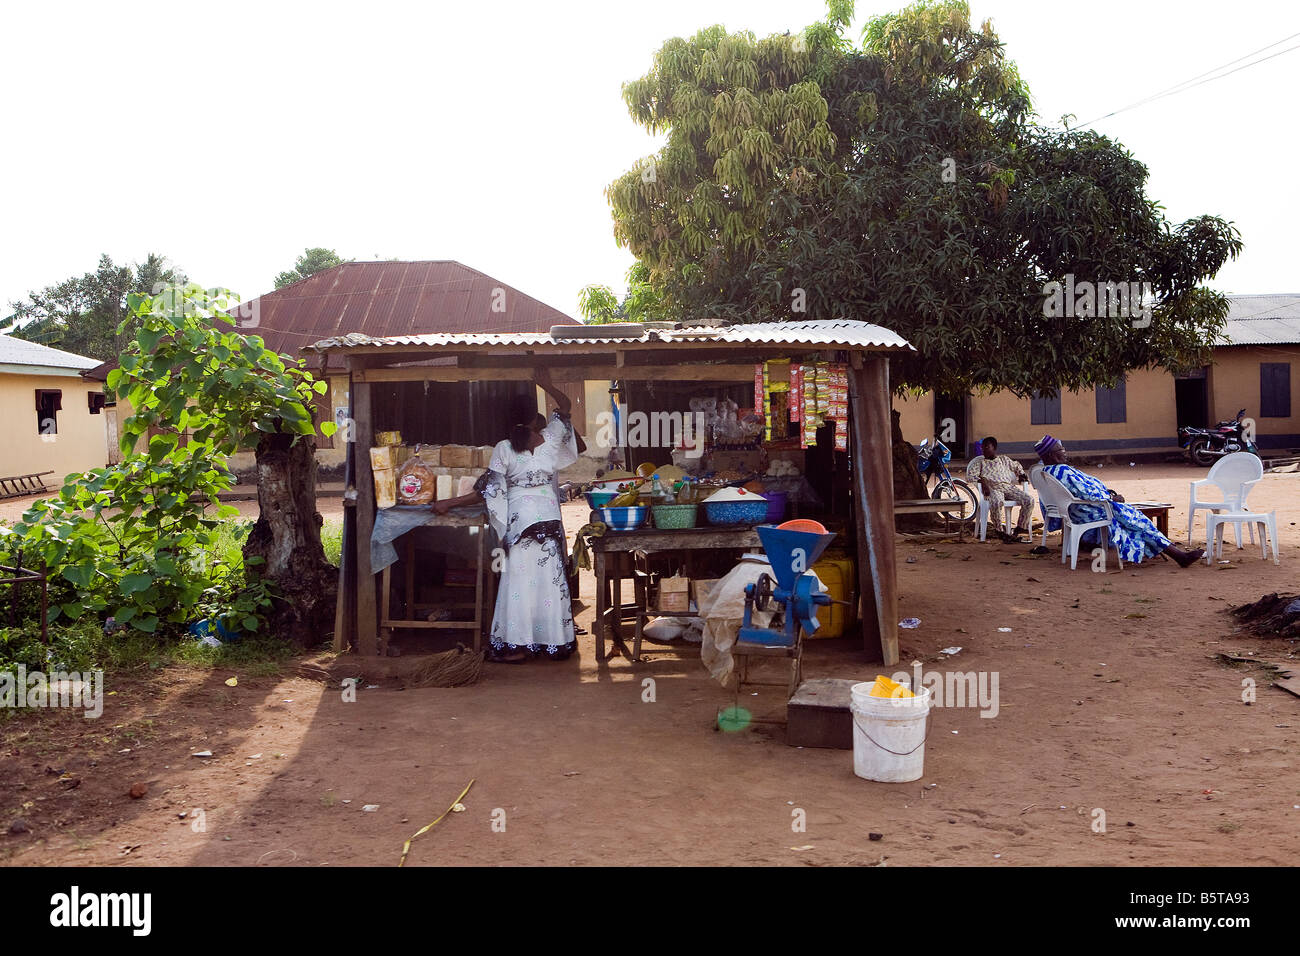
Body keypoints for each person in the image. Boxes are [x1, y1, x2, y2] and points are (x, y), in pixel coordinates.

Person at [434, 369, 579, 661]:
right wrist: (546, 383)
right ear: (535, 417)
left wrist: (449, 503)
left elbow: (488, 490)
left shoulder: (504, 448)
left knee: (519, 584)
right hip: (548, 519)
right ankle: (552, 643)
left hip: (521, 522)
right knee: (549, 581)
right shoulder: (551, 439)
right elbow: (565, 406)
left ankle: (518, 646)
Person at [1034, 435, 1204, 567]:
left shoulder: (1049, 471)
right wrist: (1112, 498)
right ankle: (1179, 556)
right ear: (1052, 455)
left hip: (1081, 510)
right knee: (1139, 522)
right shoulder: (1062, 471)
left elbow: (1082, 491)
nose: (1065, 451)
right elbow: (1086, 493)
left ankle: (1175, 554)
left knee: (1136, 523)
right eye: (1061, 449)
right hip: (1092, 510)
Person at [966, 436, 1034, 541]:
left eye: (987, 447)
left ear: (994, 447)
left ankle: (1019, 528)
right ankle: (999, 530)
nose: (983, 449)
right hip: (994, 488)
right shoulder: (980, 463)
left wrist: (1021, 474)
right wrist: (983, 482)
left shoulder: (1004, 459)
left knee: (1029, 500)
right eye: (982, 447)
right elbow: (970, 476)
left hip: (1008, 487)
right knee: (997, 501)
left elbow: (1017, 466)